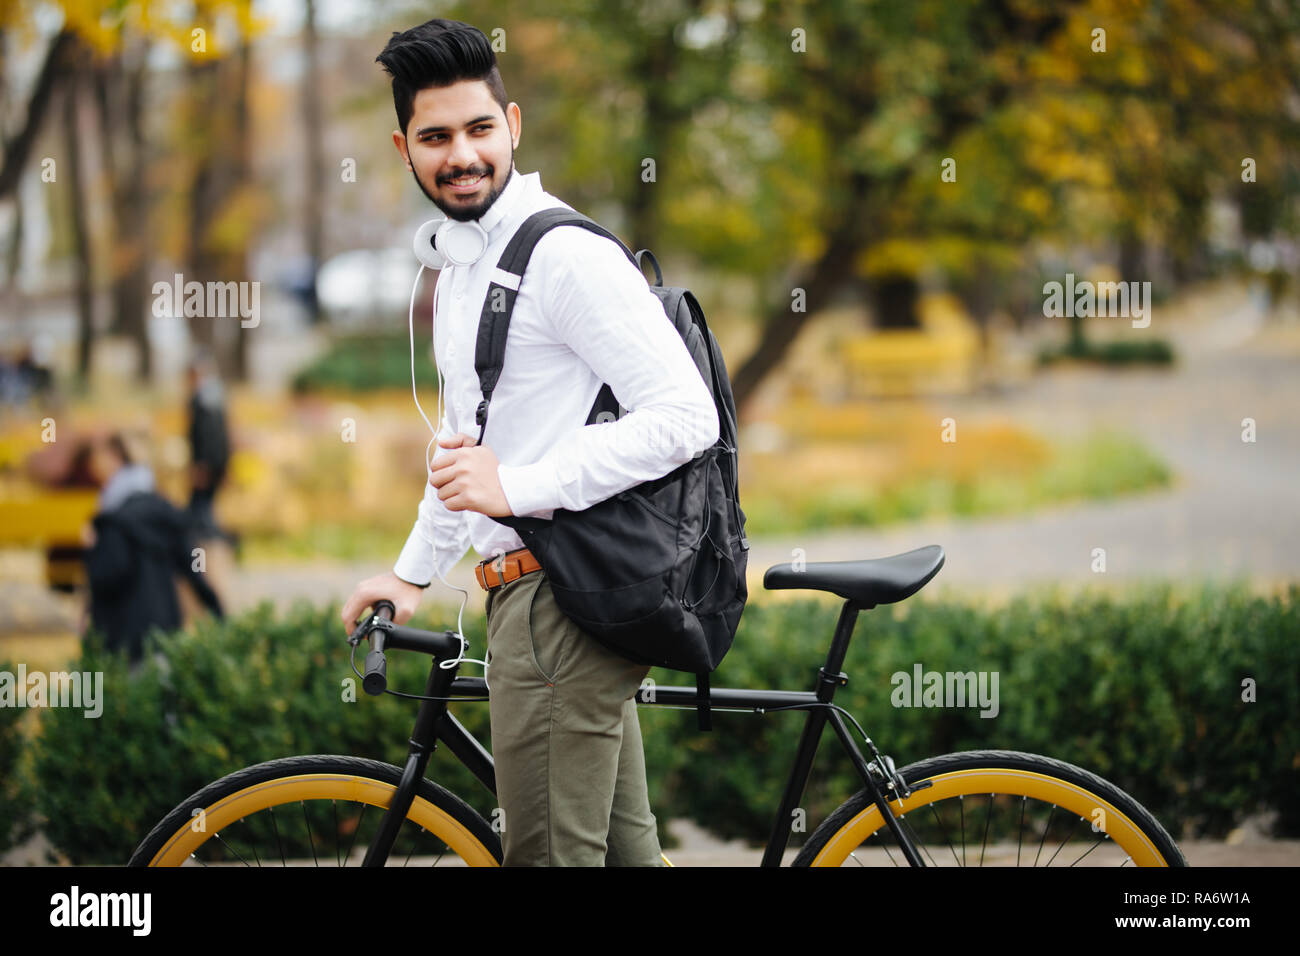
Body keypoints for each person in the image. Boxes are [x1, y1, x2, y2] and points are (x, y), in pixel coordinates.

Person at [340, 19, 719, 866]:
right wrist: (411, 572)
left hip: (560, 606)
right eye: (436, 137)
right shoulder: (467, 265)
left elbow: (686, 418)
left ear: (512, 126)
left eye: (479, 129)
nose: (461, 154)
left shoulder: (562, 258)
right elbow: (464, 449)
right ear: (405, 148)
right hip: (540, 599)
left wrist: (521, 484)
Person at [82, 431, 224, 665]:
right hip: (165, 630)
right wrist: (218, 611)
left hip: (123, 638)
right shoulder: (165, 510)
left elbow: (106, 577)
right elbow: (193, 567)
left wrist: (91, 550)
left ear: (116, 458)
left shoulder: (112, 520)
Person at [185, 351, 231, 543]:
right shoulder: (216, 398)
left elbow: (205, 435)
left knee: (201, 507)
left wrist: (202, 463)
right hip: (217, 459)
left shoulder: (202, 400)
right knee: (204, 504)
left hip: (207, 461)